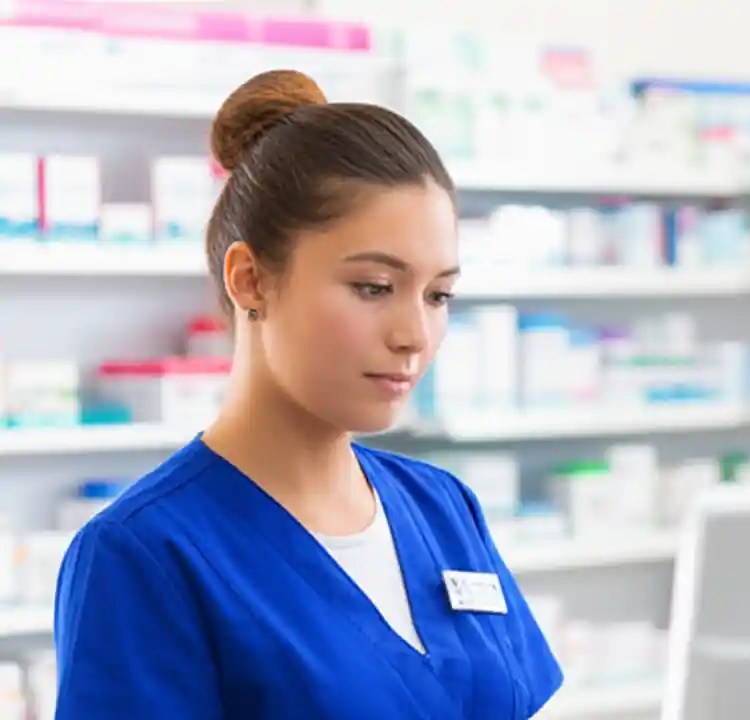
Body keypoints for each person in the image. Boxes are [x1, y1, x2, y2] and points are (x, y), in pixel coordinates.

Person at [52, 70, 562, 718]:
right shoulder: (145, 555)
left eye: (438, 295)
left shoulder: (441, 508)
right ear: (251, 279)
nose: (415, 335)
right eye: (374, 287)